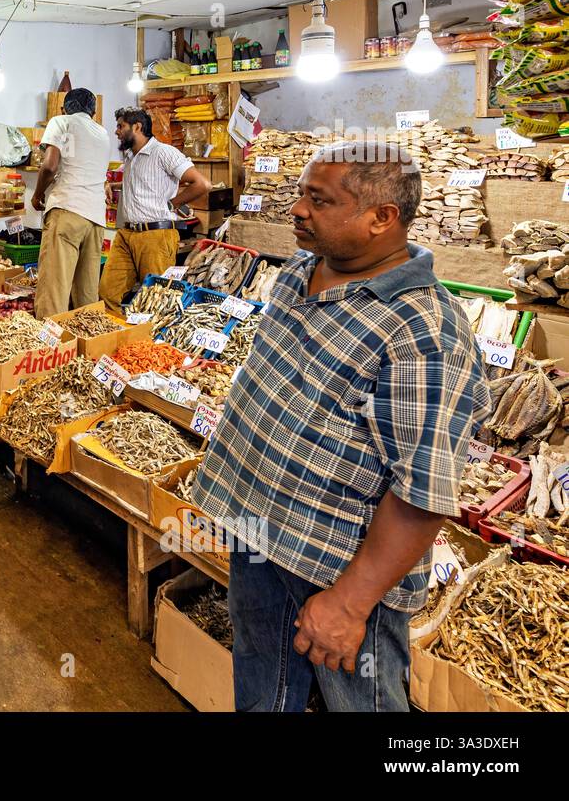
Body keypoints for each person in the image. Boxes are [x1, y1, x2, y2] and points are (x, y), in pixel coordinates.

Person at [193, 141, 489, 712]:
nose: (298, 210)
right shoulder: (300, 272)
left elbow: (423, 490)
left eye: (320, 200)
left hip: (337, 568)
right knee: (263, 693)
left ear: (383, 218)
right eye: (302, 194)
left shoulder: (424, 333)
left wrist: (351, 604)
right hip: (259, 533)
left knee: (363, 703)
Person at [98, 107, 210, 311]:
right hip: (127, 234)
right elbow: (137, 184)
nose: (116, 131)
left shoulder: (164, 153)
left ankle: (152, 342)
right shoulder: (131, 157)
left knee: (156, 300)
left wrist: (172, 203)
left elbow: (201, 184)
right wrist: (110, 184)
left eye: (120, 126)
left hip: (155, 236)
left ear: (137, 127)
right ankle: (119, 340)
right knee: (107, 293)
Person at [32, 87, 109, 319]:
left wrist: (37, 195)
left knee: (54, 290)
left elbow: (49, 165)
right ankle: (85, 347)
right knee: (86, 294)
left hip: (67, 210)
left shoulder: (61, 122)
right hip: (95, 219)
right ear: (93, 113)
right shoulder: (102, 134)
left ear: (64, 108)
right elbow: (72, 155)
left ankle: (49, 349)